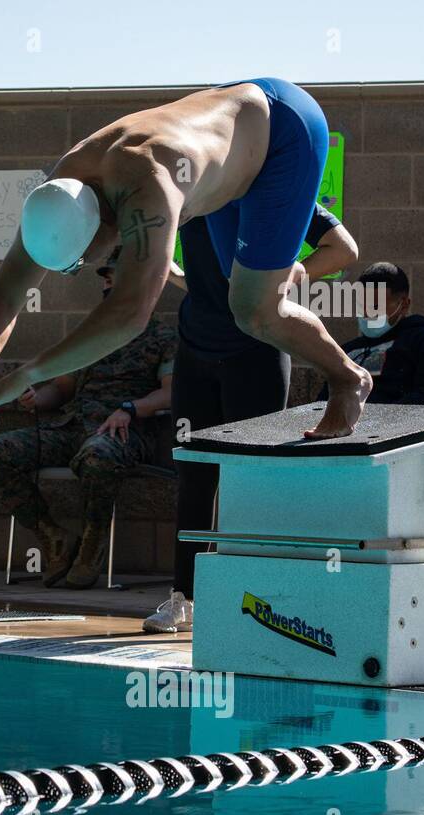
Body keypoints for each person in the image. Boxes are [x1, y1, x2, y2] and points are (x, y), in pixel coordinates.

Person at [0, 77, 373, 441]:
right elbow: (7, 291)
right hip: (229, 143)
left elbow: (128, 314)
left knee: (253, 310)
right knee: (235, 286)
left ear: (102, 226)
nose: (78, 272)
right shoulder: (59, 192)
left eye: (76, 264)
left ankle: (347, 378)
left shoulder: (147, 188)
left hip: (283, 132)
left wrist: (25, 375)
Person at [144, 205, 358, 633]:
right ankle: (183, 598)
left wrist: (294, 275)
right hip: (196, 352)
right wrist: (171, 271)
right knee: (194, 478)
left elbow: (343, 249)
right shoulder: (194, 190)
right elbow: (196, 277)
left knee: (250, 479)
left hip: (255, 352)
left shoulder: (270, 186)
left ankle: (250, 593)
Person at [0, 256, 175, 588]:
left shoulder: (162, 337)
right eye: (106, 280)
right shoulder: (90, 335)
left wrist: (130, 408)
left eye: (117, 279)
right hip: (74, 427)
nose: (108, 285)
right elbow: (62, 388)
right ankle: (53, 536)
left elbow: (172, 393)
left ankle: (92, 544)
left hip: (124, 431)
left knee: (97, 456)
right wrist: (38, 398)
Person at [317, 262, 424, 406]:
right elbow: (323, 402)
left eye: (375, 306)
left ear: (403, 305)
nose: (367, 314)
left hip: (402, 426)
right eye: (361, 305)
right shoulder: (347, 351)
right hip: (346, 426)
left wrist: (376, 422)